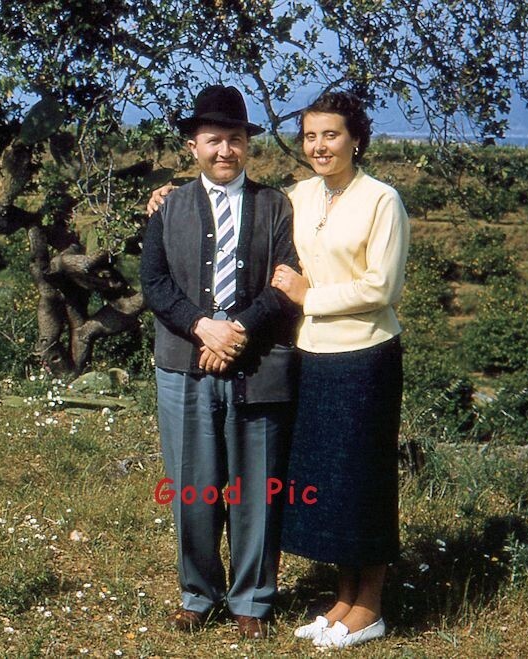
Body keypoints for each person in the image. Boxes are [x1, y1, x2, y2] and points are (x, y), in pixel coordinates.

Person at [140, 85, 299, 639]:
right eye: (213, 140)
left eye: (234, 139)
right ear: (193, 146)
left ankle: (252, 600)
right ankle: (197, 593)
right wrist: (201, 325)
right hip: (183, 363)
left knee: (255, 488)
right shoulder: (166, 207)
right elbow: (155, 285)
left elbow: (286, 283)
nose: (224, 150)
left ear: (247, 145)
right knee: (193, 486)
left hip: (259, 365)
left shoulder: (277, 206)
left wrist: (235, 330)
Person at [271, 91, 409, 649]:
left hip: (366, 355)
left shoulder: (382, 199)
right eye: (310, 136)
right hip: (312, 355)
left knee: (364, 480)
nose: (319, 145)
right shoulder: (298, 194)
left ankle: (370, 607)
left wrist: (311, 297)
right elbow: (244, 209)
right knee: (332, 483)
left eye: (330, 134)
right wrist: (170, 193)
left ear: (356, 138)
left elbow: (383, 286)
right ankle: (343, 602)